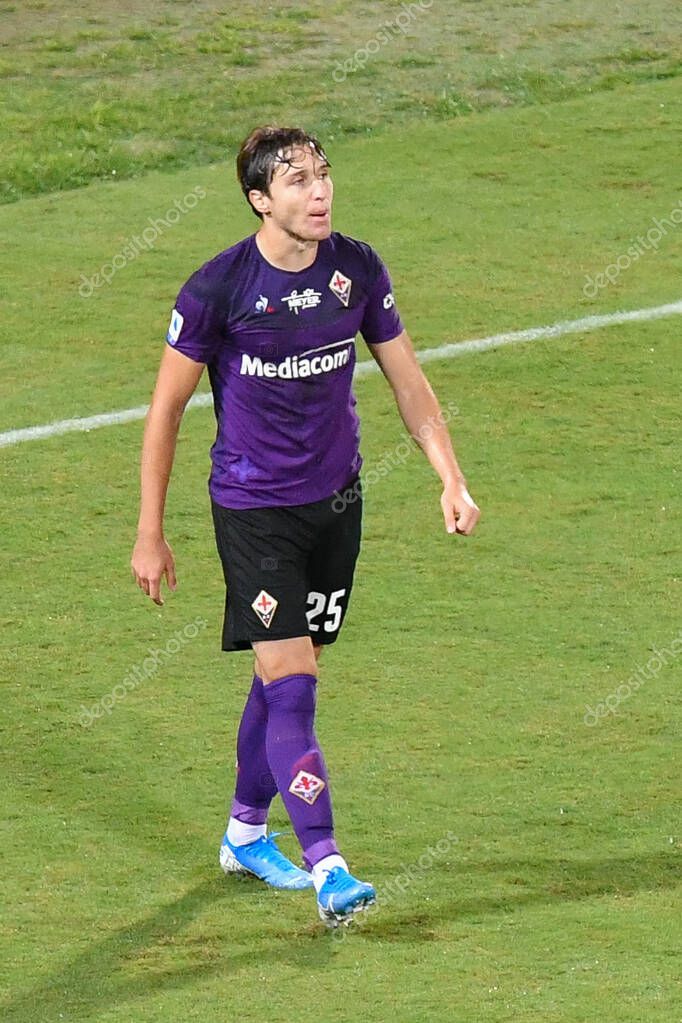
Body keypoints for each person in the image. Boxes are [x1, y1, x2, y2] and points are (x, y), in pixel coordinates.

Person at [131, 125, 480, 928]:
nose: (318, 191)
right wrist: (150, 530)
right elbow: (165, 411)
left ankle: (245, 831)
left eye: (323, 175)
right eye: (296, 181)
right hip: (254, 511)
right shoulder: (217, 289)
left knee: (286, 673)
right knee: (294, 683)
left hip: (336, 505)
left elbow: (409, 379)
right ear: (261, 200)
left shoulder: (355, 269)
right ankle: (329, 864)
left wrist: (449, 476)